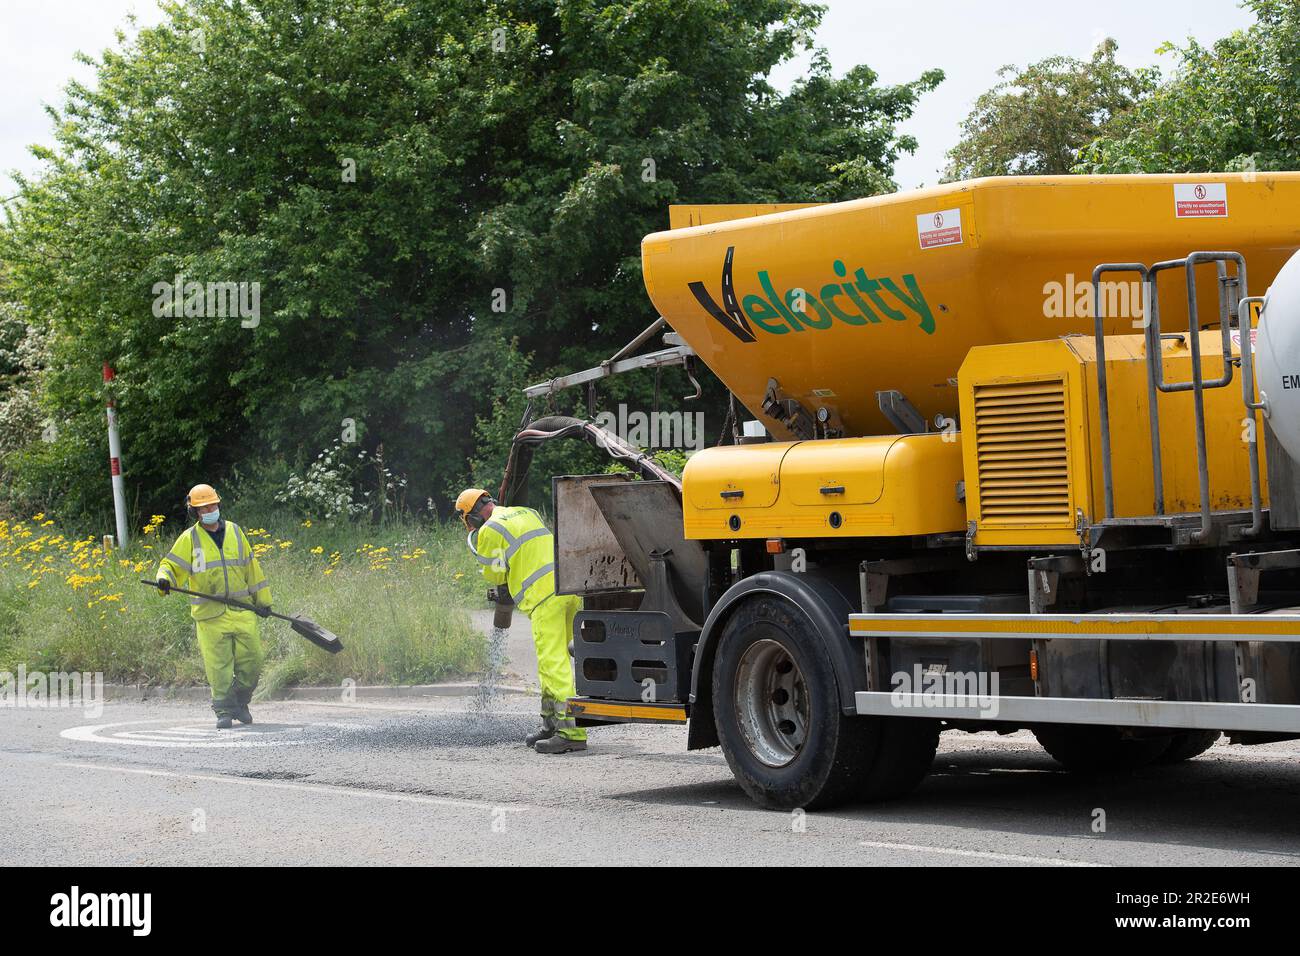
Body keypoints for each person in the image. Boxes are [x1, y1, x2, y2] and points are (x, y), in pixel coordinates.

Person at [455, 488, 587, 754]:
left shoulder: (490, 529)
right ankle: (551, 724)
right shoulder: (526, 512)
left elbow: (494, 575)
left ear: (473, 517)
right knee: (553, 659)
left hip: (544, 597)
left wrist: (481, 550)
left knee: (553, 663)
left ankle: (571, 733)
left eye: (469, 522)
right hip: (569, 587)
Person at [155, 483, 273, 729]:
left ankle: (240, 701)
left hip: (242, 610)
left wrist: (263, 602)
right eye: (204, 507)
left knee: (253, 662)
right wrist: (164, 579)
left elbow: (252, 568)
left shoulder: (235, 532)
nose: (210, 509)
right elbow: (170, 564)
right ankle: (224, 710)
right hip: (210, 616)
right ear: (195, 511)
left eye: (213, 504)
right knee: (218, 667)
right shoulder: (190, 539)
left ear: (219, 504)